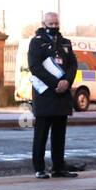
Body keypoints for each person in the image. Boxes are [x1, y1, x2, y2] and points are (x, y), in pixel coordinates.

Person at [27, 11, 79, 178]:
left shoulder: (66, 43)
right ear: (44, 24)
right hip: (45, 94)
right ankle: (39, 168)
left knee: (59, 135)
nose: (54, 27)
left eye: (56, 24)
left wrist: (67, 82)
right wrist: (55, 83)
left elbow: (72, 64)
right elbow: (35, 67)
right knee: (41, 134)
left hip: (62, 95)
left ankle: (58, 167)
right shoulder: (36, 43)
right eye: (51, 25)